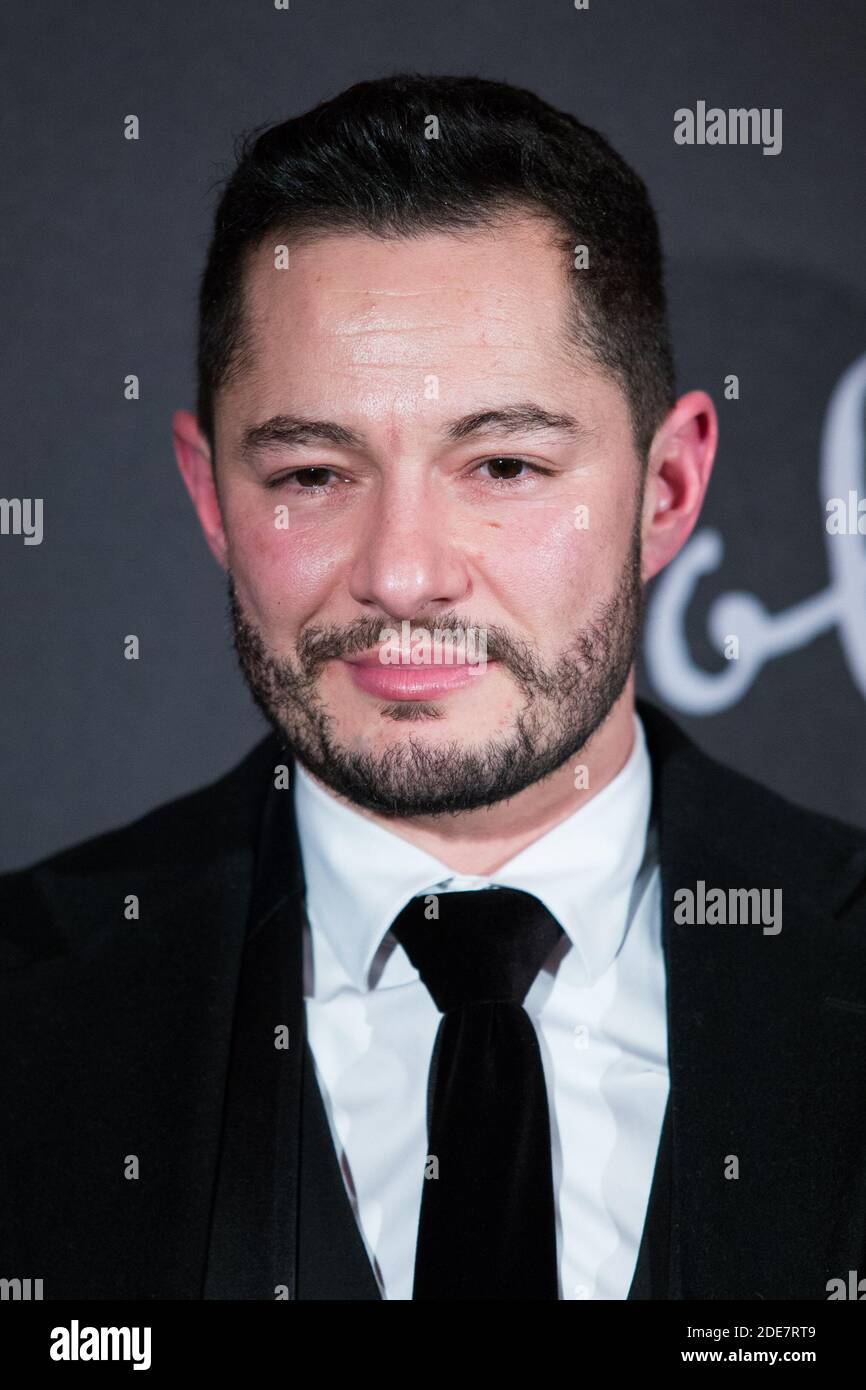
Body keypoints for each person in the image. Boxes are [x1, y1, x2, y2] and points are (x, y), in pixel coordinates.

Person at [2, 73, 864, 1302]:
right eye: (309, 472)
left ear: (664, 490)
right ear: (210, 498)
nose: (401, 573)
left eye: (503, 462)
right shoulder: (30, 1009)